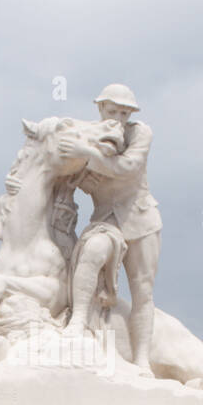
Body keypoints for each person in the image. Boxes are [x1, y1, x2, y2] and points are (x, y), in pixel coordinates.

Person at [57, 84, 162, 374]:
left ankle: (142, 359)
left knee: (143, 290)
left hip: (141, 218)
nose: (118, 117)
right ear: (100, 108)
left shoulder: (139, 133)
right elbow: (64, 175)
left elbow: (127, 166)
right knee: (92, 251)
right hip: (107, 220)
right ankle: (78, 321)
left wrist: (85, 153)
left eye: (124, 112)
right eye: (113, 110)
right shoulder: (91, 135)